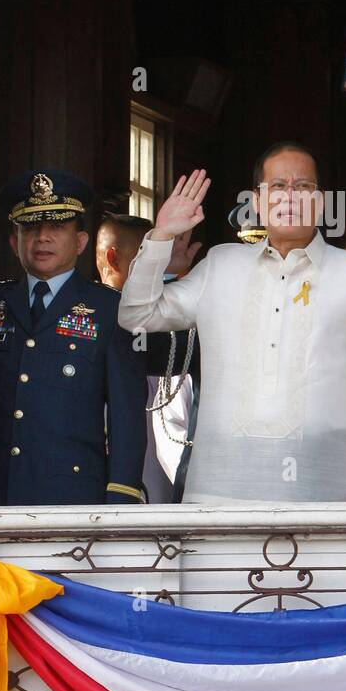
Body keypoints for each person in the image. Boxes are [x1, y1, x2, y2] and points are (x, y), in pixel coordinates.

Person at [118, 143, 346, 504]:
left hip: (324, 490)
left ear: (322, 201)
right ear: (258, 201)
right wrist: (161, 236)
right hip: (217, 490)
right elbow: (136, 314)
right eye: (278, 186)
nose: (290, 197)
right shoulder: (221, 264)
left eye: (304, 187)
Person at [0, 169, 147, 507]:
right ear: (13, 242)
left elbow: (127, 414)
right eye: (30, 228)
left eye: (57, 227)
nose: (42, 238)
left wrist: (121, 495)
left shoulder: (109, 311)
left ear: (80, 242)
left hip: (73, 501)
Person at [96, 212, 198, 503]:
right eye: (147, 255)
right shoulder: (91, 319)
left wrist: (169, 278)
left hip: (160, 487)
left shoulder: (171, 326)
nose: (154, 264)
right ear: (114, 258)